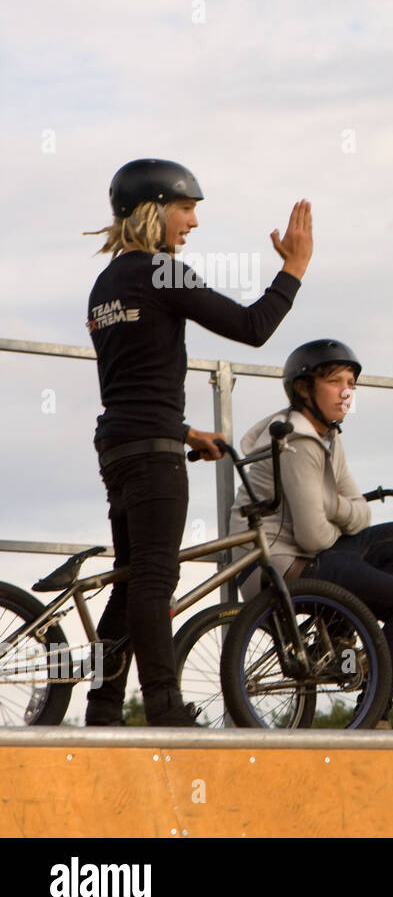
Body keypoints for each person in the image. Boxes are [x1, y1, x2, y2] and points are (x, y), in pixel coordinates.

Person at [84, 158, 311, 726]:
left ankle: (103, 706)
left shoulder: (106, 283)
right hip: (150, 454)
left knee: (132, 577)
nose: (193, 222)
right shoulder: (162, 273)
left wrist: (186, 432)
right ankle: (163, 706)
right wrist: (296, 268)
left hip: (119, 445)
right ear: (153, 210)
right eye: (186, 208)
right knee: (156, 576)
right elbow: (254, 327)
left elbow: (131, 386)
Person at [229, 340, 393, 728]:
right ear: (304, 389)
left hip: (303, 556)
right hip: (278, 566)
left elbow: (360, 511)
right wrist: (338, 509)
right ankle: (376, 711)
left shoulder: (327, 435)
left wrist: (333, 506)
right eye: (335, 381)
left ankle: (339, 634)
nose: (346, 392)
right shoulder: (297, 440)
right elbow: (313, 536)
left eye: (351, 383)